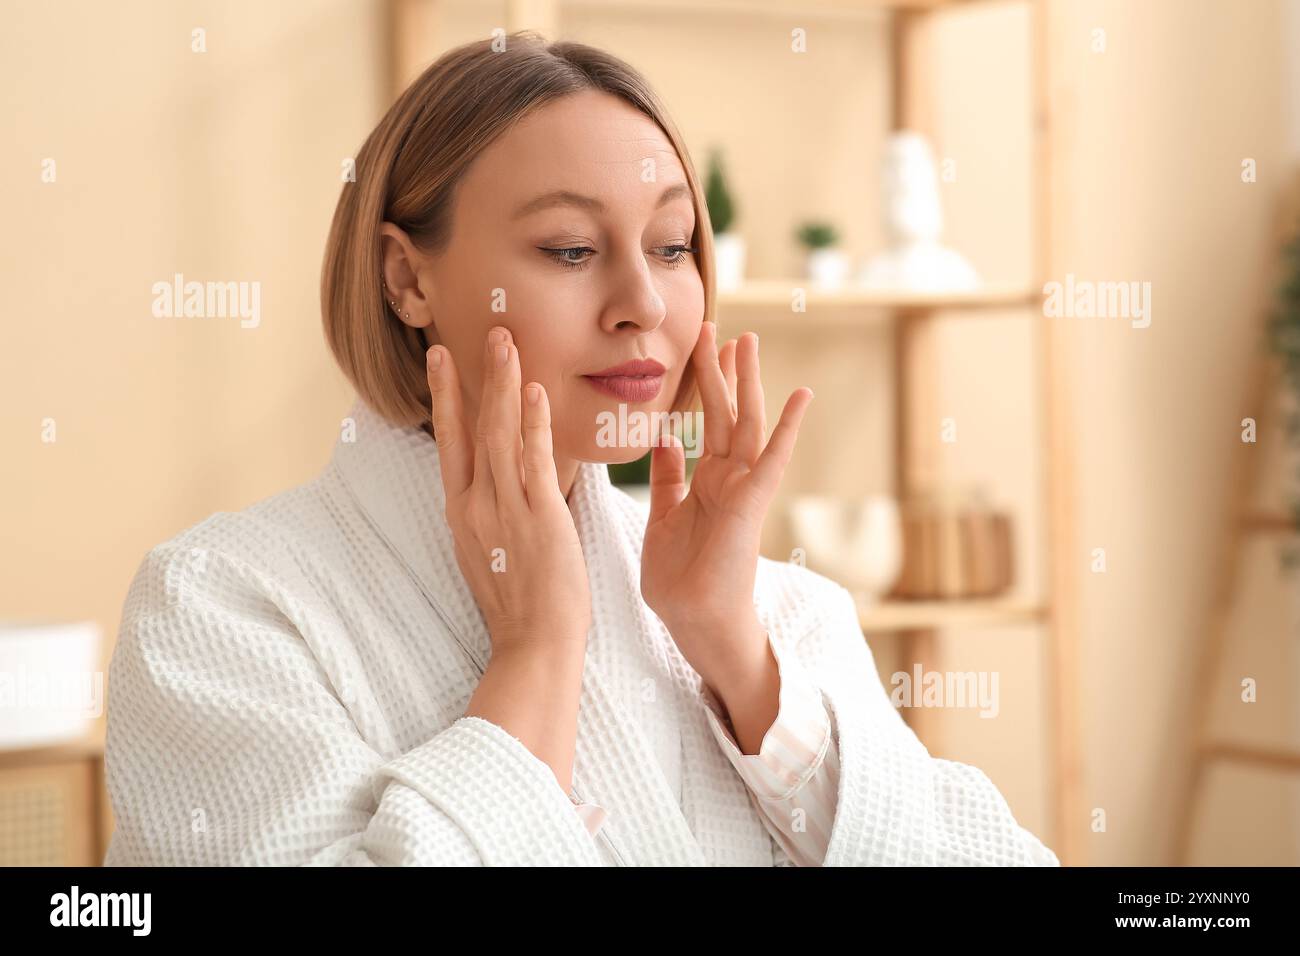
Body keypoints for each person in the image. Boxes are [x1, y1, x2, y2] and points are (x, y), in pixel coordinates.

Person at [102, 31, 1059, 867]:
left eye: (674, 245)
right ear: (407, 278)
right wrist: (534, 655)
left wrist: (735, 654)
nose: (643, 302)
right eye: (569, 249)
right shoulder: (220, 611)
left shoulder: (771, 614)